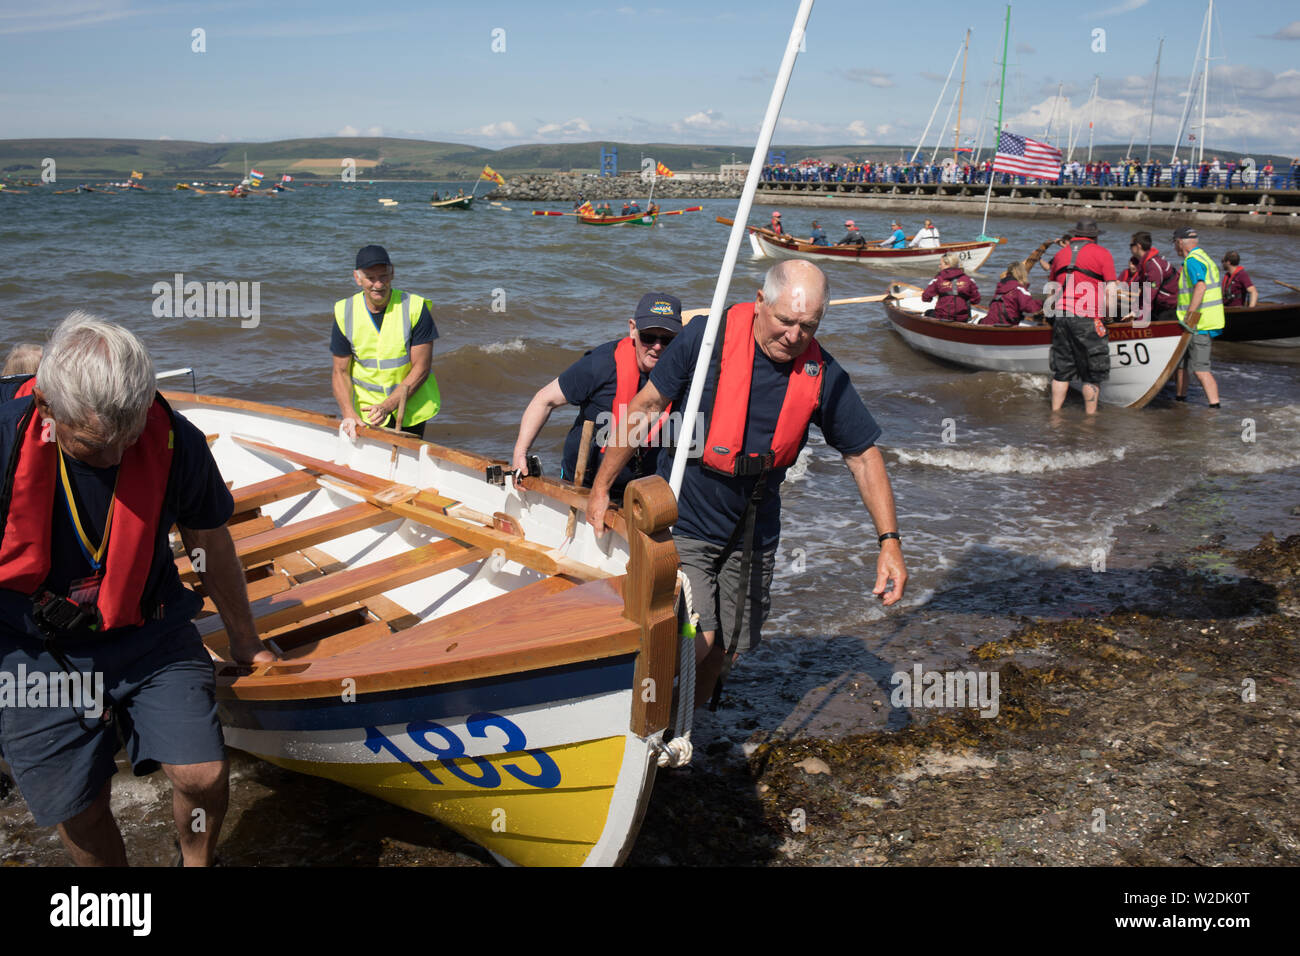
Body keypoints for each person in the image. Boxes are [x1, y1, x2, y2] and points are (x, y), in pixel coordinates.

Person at [0, 313, 275, 867]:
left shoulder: (169, 435)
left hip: (148, 627)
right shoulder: (7, 440)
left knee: (203, 774)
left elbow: (209, 539)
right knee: (80, 805)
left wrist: (246, 640)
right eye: (94, 445)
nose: (116, 458)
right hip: (32, 645)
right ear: (48, 409)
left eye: (127, 440)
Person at [585, 261, 906, 709]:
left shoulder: (822, 374)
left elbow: (863, 456)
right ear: (760, 303)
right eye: (785, 321)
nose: (794, 335)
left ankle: (685, 725)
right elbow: (646, 405)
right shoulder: (705, 340)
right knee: (698, 635)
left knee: (729, 643)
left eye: (807, 326)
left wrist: (889, 542)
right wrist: (602, 487)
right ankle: (640, 716)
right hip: (685, 515)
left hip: (753, 531)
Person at [512, 293, 681, 502]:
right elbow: (544, 400)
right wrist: (520, 452)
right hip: (584, 483)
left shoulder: (687, 373)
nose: (657, 346)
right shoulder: (600, 365)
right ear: (632, 329)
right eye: (648, 337)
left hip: (643, 489)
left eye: (666, 340)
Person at [331, 244, 440, 440]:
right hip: (367, 413)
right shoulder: (344, 311)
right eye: (371, 278)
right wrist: (348, 413)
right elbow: (340, 371)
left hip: (410, 411)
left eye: (383, 276)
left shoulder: (415, 307)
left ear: (392, 273)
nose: (378, 284)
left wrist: (387, 406)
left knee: (406, 464)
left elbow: (421, 368)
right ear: (357, 278)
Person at [1045, 219, 1118, 414]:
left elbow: (1051, 291)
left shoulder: (1060, 254)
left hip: (1061, 316)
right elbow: (1111, 290)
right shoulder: (1102, 253)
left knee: (1062, 371)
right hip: (1088, 316)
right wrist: (1109, 318)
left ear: (1075, 235)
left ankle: (1055, 414)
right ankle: (1090, 418)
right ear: (1094, 237)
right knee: (1092, 373)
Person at [1171, 226, 1222, 407]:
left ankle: (1214, 406)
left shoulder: (1193, 261)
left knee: (1201, 369)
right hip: (1193, 324)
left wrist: (1190, 316)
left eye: (1174, 244)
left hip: (1198, 324)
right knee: (1182, 365)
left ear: (1179, 243)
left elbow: (1201, 287)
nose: (1175, 249)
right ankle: (1180, 399)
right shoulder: (1204, 257)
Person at [1119, 231, 1179, 323]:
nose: (1130, 248)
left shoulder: (1154, 266)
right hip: (1158, 305)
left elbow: (1149, 294)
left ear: (1138, 246)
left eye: (1131, 245)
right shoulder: (1143, 264)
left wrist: (1138, 318)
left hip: (1169, 308)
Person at [920, 253, 980, 321]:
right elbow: (976, 300)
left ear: (947, 264)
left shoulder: (938, 279)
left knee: (928, 312)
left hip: (942, 316)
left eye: (941, 264)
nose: (939, 266)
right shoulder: (969, 280)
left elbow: (925, 297)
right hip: (962, 318)